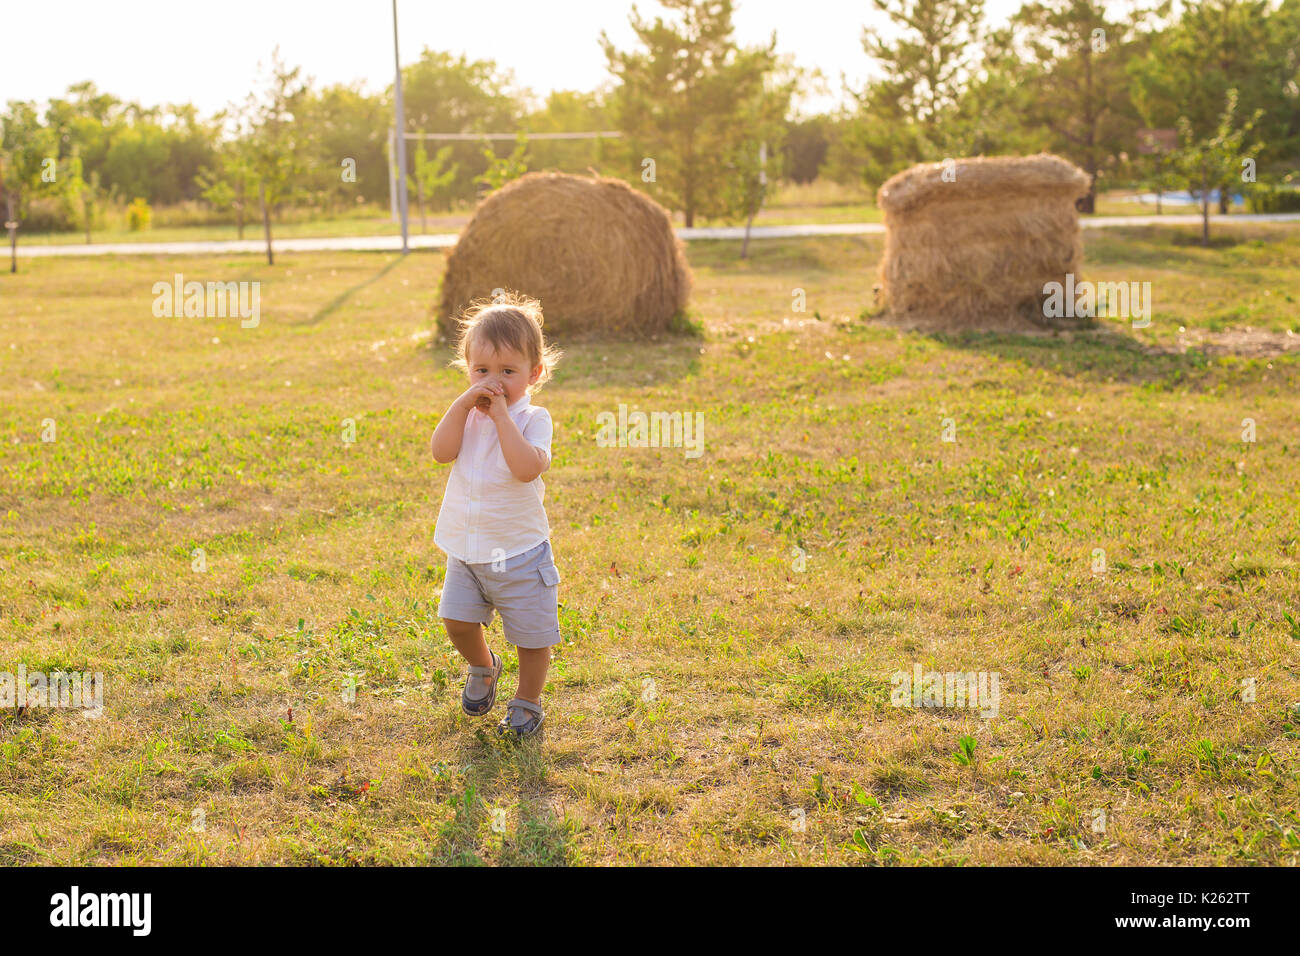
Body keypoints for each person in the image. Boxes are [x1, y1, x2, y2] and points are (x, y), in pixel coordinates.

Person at [430, 292, 562, 740]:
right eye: (482, 370)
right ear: (467, 370)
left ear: (534, 374)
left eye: (508, 372)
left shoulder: (532, 418)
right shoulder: (465, 416)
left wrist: (503, 416)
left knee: (532, 637)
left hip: (520, 551)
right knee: (456, 622)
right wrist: (461, 405)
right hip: (467, 549)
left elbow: (525, 469)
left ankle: (527, 700)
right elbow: (439, 452)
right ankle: (483, 665)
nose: (494, 382)